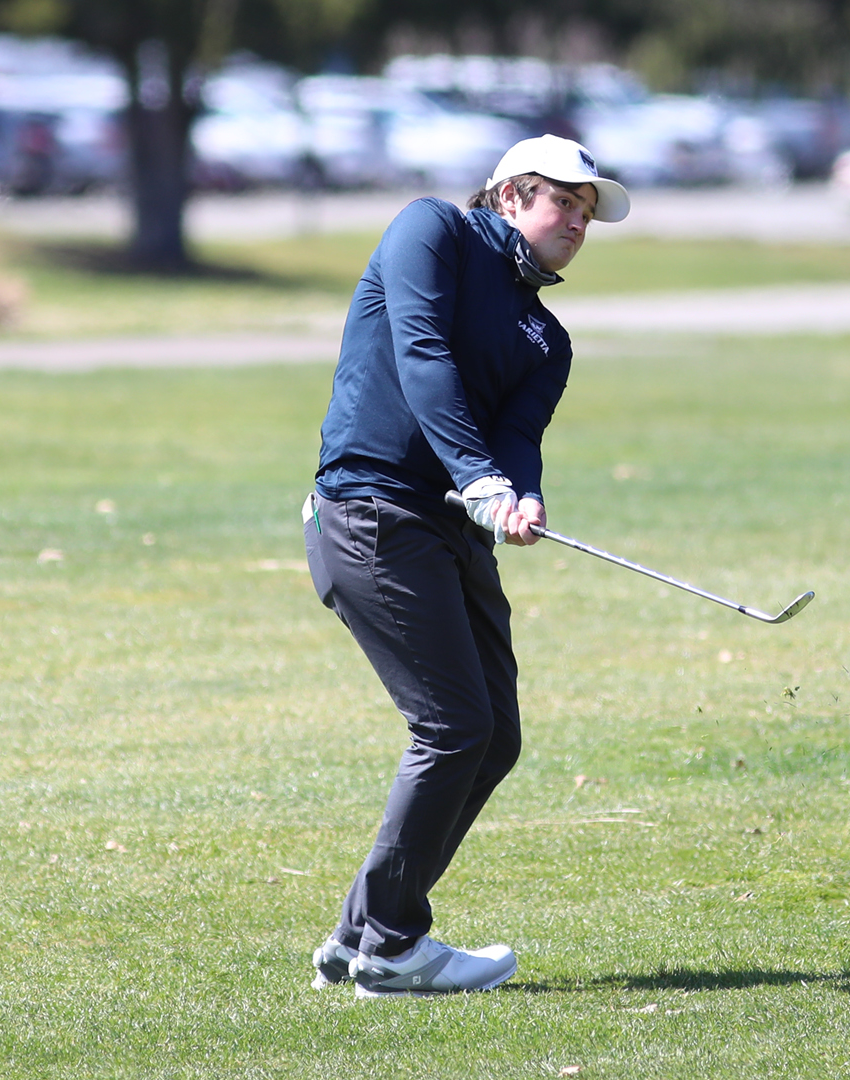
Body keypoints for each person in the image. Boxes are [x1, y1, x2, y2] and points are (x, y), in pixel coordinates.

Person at [300, 135, 629, 998]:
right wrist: (478, 479)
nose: (579, 224)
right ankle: (395, 948)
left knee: (495, 735)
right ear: (513, 194)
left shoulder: (547, 339)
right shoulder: (430, 231)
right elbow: (422, 352)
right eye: (567, 202)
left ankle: (359, 932)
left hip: (453, 534)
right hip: (372, 514)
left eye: (588, 213)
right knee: (452, 727)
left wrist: (520, 494)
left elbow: (519, 437)